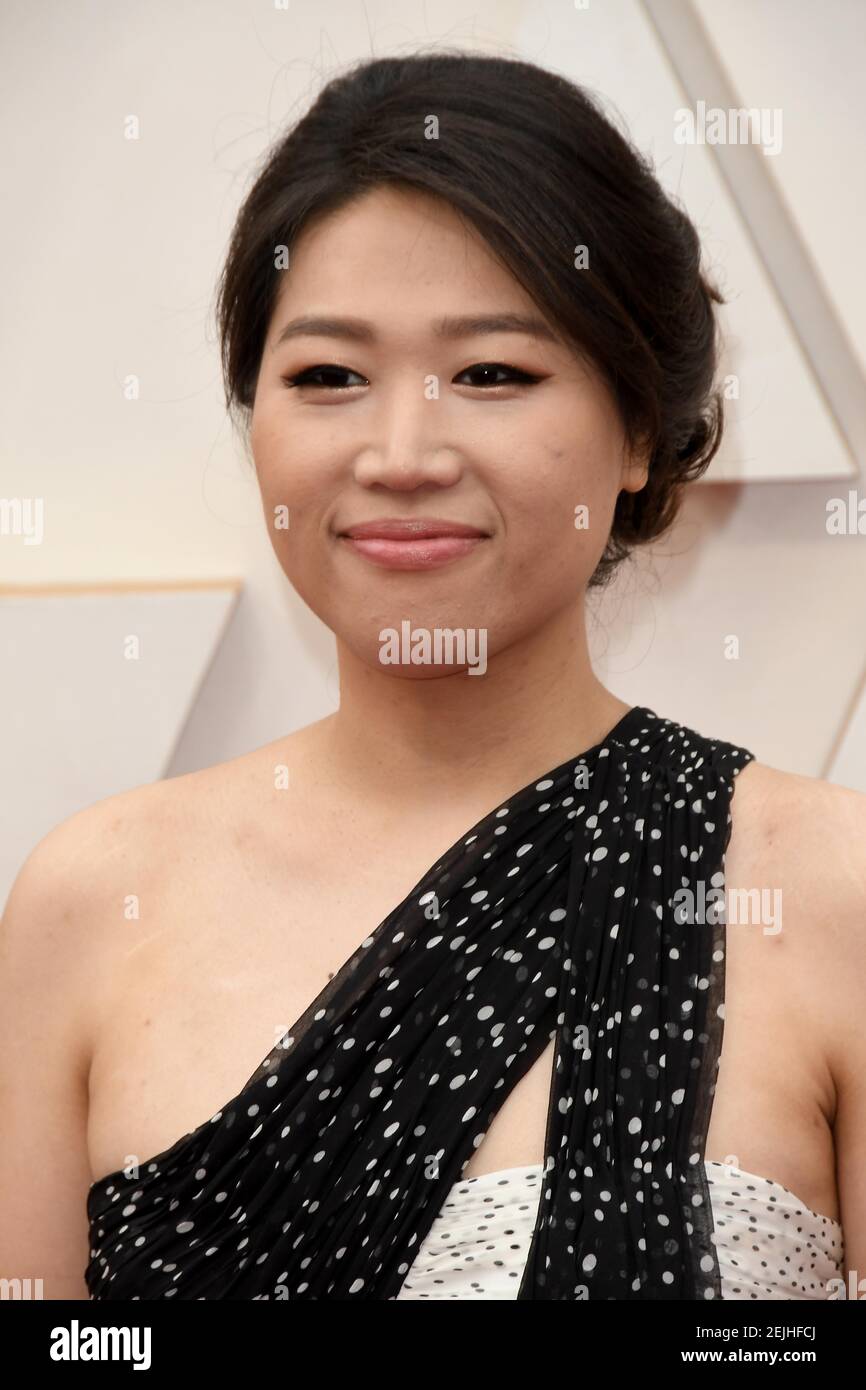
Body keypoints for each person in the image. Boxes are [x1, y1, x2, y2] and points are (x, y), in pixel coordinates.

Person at [1, 51, 863, 1301]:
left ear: (633, 430)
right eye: (327, 377)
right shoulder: (91, 899)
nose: (400, 454)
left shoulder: (828, 890)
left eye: (492, 374)